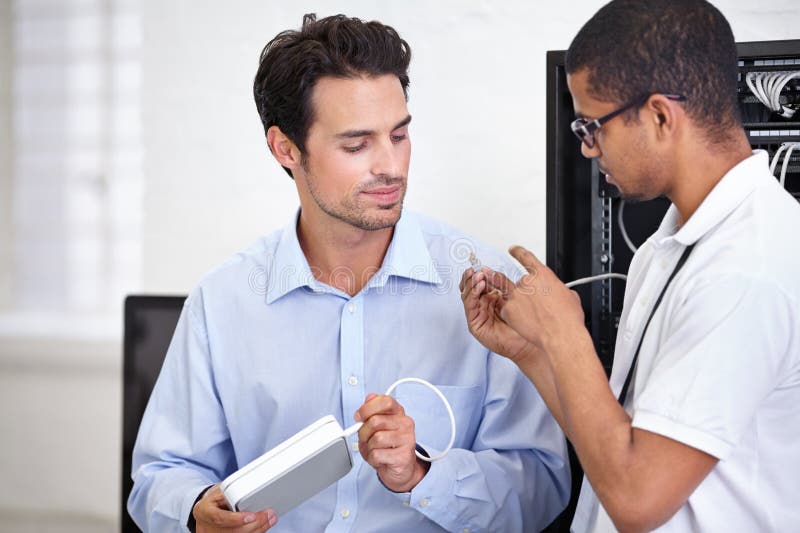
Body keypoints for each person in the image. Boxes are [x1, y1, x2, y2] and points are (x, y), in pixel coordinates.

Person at [128, 13, 569, 533]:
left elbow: (544, 486)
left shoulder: (485, 285)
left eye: (399, 135)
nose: (391, 165)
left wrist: (420, 475)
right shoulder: (222, 301)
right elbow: (161, 474)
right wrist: (196, 512)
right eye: (356, 145)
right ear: (285, 149)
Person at [461, 0, 800, 531]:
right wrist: (533, 351)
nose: (589, 150)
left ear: (661, 116)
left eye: (592, 127)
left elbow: (636, 498)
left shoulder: (744, 269)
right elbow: (617, 442)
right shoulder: (669, 248)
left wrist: (565, 332)